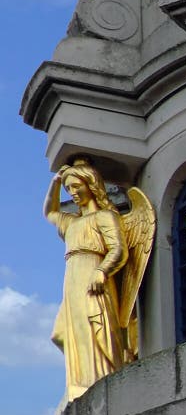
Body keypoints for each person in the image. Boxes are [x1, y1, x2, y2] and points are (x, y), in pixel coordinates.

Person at [45, 159, 127, 401]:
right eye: (69, 189)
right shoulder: (71, 222)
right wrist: (56, 182)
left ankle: (98, 377)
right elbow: (50, 211)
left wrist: (102, 271)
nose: (73, 193)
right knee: (61, 333)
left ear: (90, 185)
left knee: (94, 326)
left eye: (76, 187)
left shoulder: (104, 217)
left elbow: (118, 249)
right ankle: (79, 379)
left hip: (93, 271)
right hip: (73, 274)